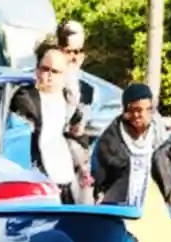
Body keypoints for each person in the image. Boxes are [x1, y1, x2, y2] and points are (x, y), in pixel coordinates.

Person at [9, 43, 88, 204]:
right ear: (37, 70)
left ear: (64, 75)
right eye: (45, 69)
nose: (49, 75)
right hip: (37, 178)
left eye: (55, 71)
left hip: (66, 176)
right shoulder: (26, 98)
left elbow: (79, 139)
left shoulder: (70, 102)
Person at [91, 83, 171, 208]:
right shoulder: (109, 141)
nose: (142, 115)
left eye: (148, 109)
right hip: (120, 209)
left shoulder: (164, 139)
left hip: (156, 207)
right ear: (126, 111)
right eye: (137, 110)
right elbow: (98, 179)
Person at [56, 19, 95, 204]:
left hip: (76, 157)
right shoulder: (46, 82)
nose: (75, 58)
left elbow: (82, 126)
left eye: (79, 52)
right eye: (70, 51)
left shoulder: (87, 89)